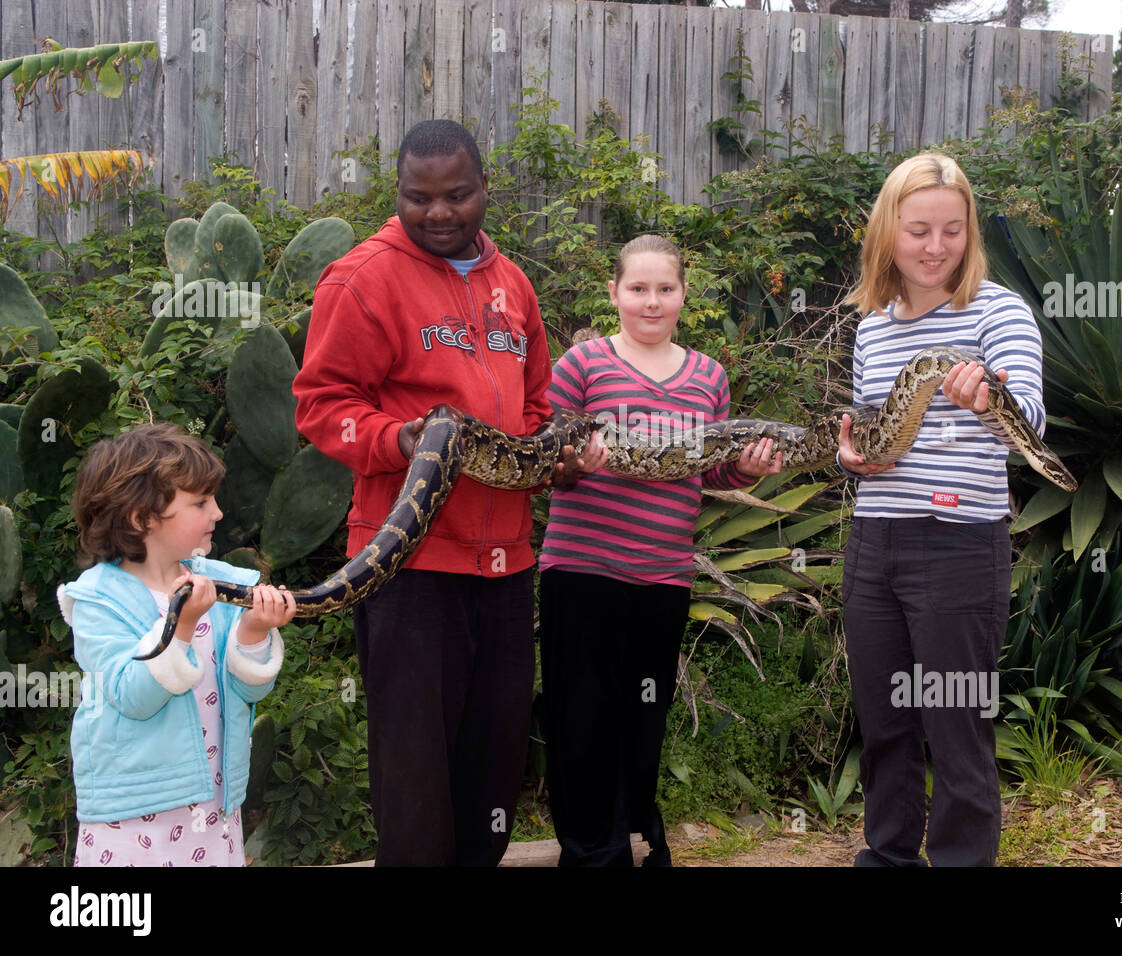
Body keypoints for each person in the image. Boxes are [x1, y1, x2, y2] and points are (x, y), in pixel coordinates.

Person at [293, 119, 597, 866]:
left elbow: (531, 413)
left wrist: (552, 458)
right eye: (417, 197)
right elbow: (321, 403)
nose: (437, 212)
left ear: (484, 189)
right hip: (408, 570)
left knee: (493, 767)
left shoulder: (512, 286)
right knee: (416, 774)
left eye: (456, 195)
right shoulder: (362, 279)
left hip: (505, 566)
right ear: (396, 192)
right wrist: (403, 441)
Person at [538, 234, 782, 866]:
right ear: (615, 292)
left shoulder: (708, 376)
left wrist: (749, 469)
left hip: (664, 577)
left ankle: (636, 837)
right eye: (638, 289)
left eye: (665, 289)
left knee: (643, 716)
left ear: (682, 295)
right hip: (582, 571)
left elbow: (714, 472)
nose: (652, 302)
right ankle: (590, 850)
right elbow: (547, 463)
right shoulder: (582, 365)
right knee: (580, 717)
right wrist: (576, 463)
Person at [836, 152, 1045, 867]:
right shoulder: (872, 327)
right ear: (888, 231)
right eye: (918, 228)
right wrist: (851, 457)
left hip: (959, 545)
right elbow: (871, 435)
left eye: (952, 231)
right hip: (875, 541)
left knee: (957, 726)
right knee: (885, 723)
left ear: (970, 233)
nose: (934, 247)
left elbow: (1033, 422)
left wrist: (991, 401)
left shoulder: (1000, 310)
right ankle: (887, 857)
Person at [58, 423, 293, 867]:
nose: (218, 513)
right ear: (142, 518)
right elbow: (133, 697)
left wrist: (254, 633)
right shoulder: (96, 601)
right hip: (136, 814)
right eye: (201, 502)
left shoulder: (222, 586)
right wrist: (179, 628)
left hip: (213, 803)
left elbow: (248, 692)